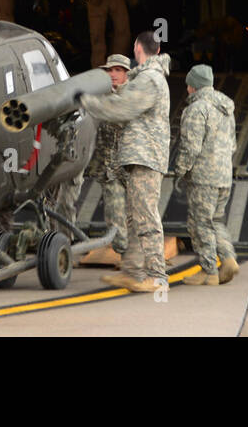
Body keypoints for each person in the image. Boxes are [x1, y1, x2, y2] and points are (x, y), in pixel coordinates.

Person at [78, 31, 170, 293]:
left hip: (145, 157)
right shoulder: (147, 78)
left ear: (137, 49)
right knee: (134, 218)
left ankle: (156, 276)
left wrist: (86, 101)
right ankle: (132, 271)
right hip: (138, 158)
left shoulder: (149, 80)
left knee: (146, 219)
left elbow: (121, 109)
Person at [173, 64, 239, 286]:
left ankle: (209, 271)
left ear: (192, 86)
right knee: (216, 220)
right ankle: (228, 258)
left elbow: (190, 147)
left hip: (203, 177)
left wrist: (179, 171)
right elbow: (232, 145)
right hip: (224, 175)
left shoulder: (196, 110)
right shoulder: (225, 107)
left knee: (199, 223)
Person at [83, 54, 131, 254]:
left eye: (118, 70)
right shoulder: (100, 96)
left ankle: (140, 257)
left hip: (132, 166)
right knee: (114, 214)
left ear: (127, 74)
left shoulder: (135, 96)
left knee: (139, 215)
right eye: (109, 70)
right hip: (110, 169)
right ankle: (125, 256)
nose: (113, 74)